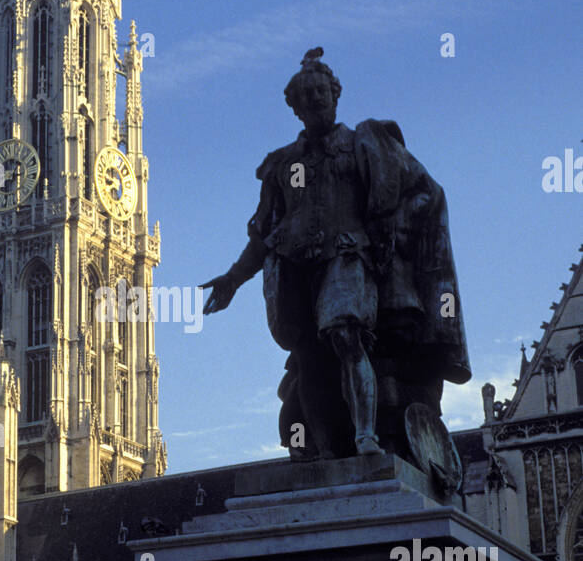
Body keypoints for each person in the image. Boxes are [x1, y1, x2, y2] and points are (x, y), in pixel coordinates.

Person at [201, 48, 470, 461]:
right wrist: (234, 278)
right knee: (308, 358)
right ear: (294, 106)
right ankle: (326, 450)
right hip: (298, 268)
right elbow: (265, 233)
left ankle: (366, 435)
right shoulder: (283, 164)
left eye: (321, 91)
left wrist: (393, 237)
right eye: (305, 95)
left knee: (346, 334)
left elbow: (426, 192)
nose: (314, 100)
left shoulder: (364, 142)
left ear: (335, 94)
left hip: (348, 254)